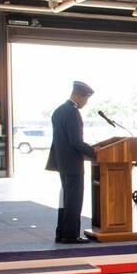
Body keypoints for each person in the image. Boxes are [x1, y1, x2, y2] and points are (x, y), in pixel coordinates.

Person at [45, 81, 98, 243]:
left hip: (62, 162)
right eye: (86, 99)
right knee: (74, 200)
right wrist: (94, 151)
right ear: (78, 95)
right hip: (73, 163)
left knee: (66, 199)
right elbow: (75, 141)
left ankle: (62, 233)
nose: (85, 103)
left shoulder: (59, 111)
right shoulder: (73, 113)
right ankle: (70, 235)